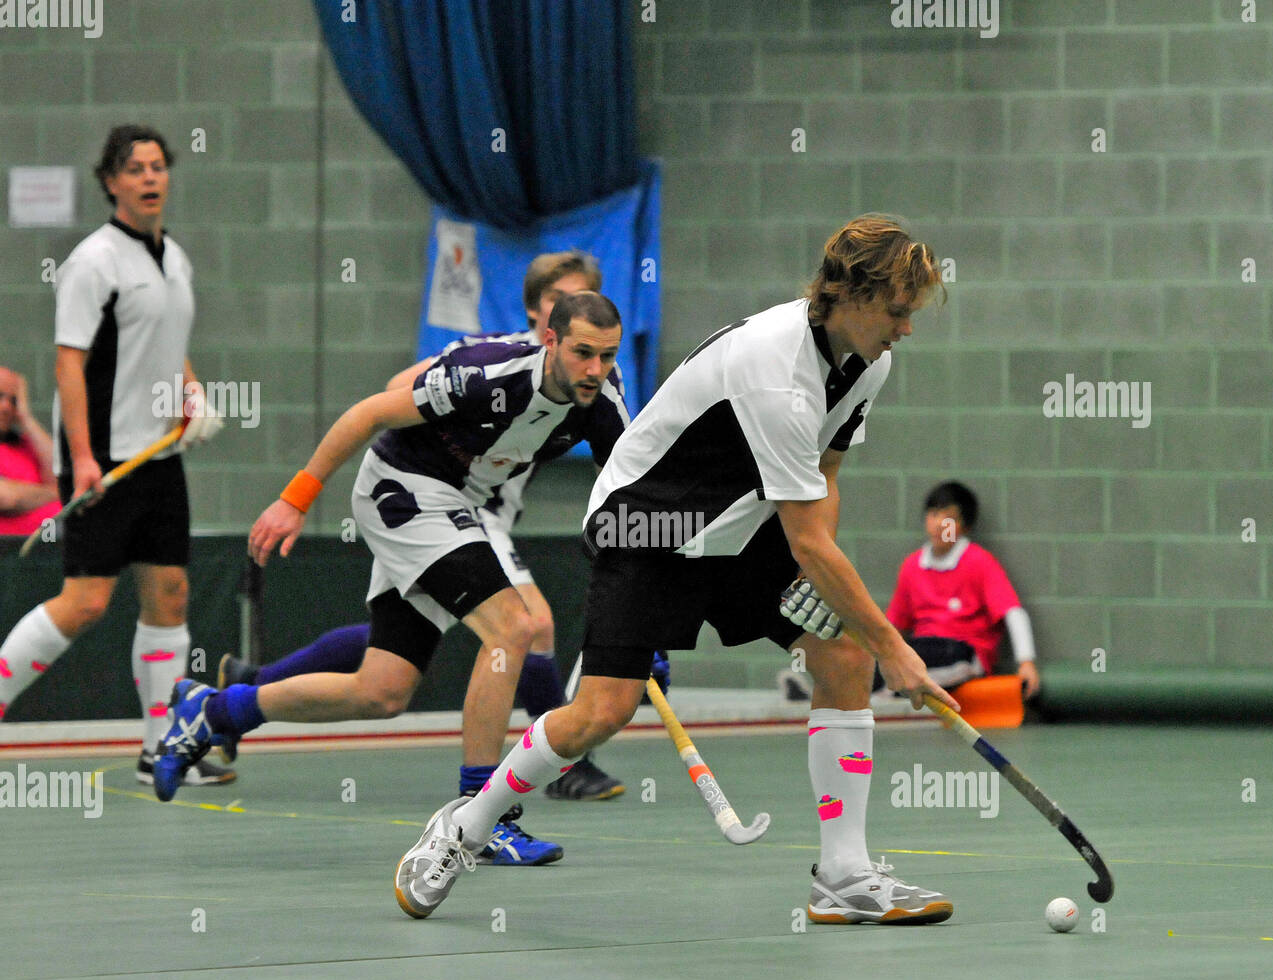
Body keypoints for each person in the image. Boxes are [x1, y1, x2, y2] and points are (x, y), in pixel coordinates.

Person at [392, 212, 967, 924]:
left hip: (743, 523)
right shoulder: (776, 368)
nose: (906, 328)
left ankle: (844, 875)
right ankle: (466, 826)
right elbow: (812, 539)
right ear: (849, 294)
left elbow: (825, 475)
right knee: (599, 713)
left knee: (843, 655)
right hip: (647, 524)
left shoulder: (870, 360)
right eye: (898, 311)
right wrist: (896, 646)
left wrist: (823, 595)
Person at [152, 292, 630, 856]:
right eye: (583, 353)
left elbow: (629, 496)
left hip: (460, 505)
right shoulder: (484, 374)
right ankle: (478, 818)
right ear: (548, 340)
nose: (595, 370)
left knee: (381, 690)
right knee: (514, 629)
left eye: (607, 356)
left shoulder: (602, 403)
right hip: (403, 490)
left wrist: (646, 623)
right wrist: (295, 498)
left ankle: (212, 711)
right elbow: (372, 412)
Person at [0, 126, 227, 791]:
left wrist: (191, 393)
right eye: (135, 169)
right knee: (85, 602)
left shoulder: (174, 258)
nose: (150, 178)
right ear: (111, 181)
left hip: (158, 459)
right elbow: (69, 362)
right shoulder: (92, 261)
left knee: (170, 595)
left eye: (159, 167)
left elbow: (171, 339)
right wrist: (80, 456)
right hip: (103, 461)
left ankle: (161, 749)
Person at [875, 480, 1040, 701]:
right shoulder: (912, 566)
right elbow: (894, 625)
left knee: (900, 676)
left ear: (965, 527)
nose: (939, 524)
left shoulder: (979, 561)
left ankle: (883, 695)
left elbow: (1013, 613)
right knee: (884, 662)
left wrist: (1026, 662)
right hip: (923, 649)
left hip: (964, 652)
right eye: (933, 515)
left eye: (948, 519)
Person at [0, 367, 60, 537]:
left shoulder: (26, 444)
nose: (6, 407)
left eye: (14, 400)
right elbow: (7, 498)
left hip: (50, 546)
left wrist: (26, 418)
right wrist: (57, 492)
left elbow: (61, 475)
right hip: (10, 555)